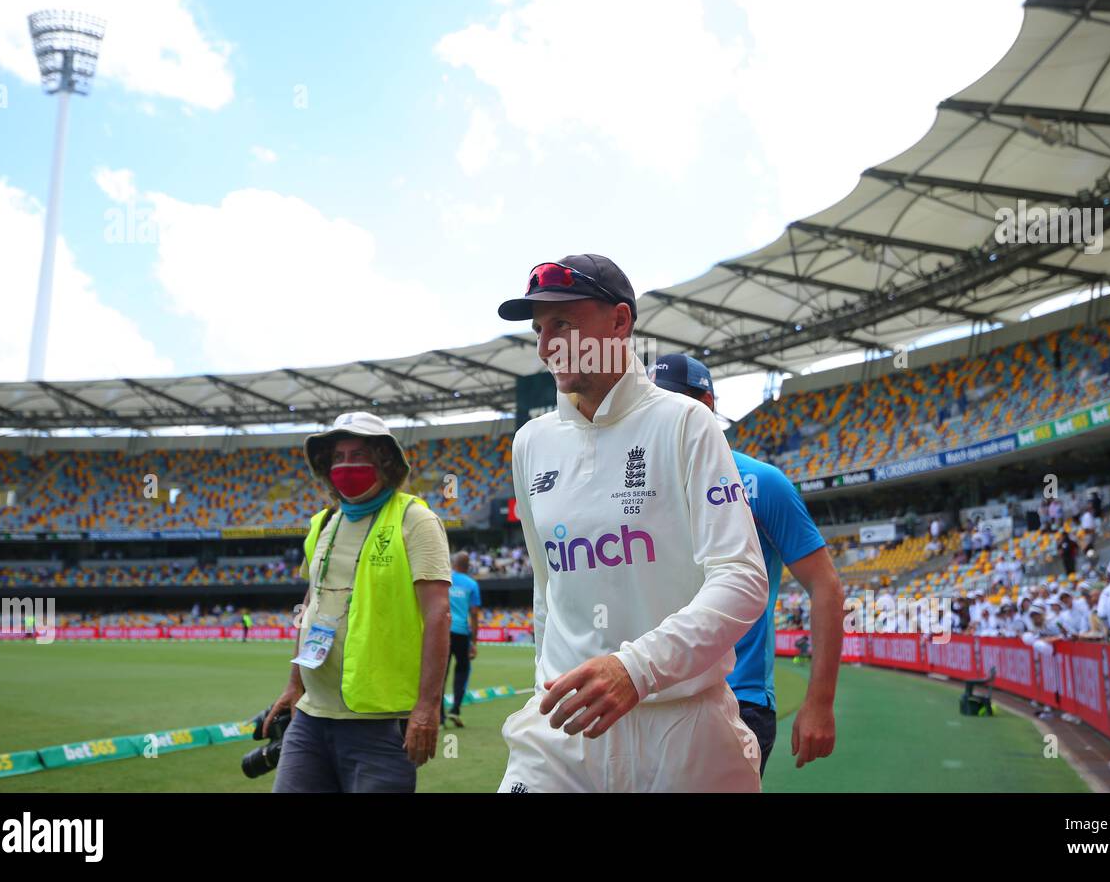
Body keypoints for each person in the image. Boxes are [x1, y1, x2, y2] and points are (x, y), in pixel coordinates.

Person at [494, 255, 768, 793]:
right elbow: (548, 587)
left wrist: (635, 669)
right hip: (563, 729)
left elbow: (742, 576)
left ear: (620, 323)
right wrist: (542, 683)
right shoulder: (531, 443)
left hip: (683, 729)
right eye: (539, 331)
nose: (546, 345)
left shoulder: (686, 422)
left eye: (562, 325)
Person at [649, 353, 842, 775]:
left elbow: (825, 585)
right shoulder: (641, 492)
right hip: (656, 694)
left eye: (675, 403)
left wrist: (820, 701)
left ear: (706, 404)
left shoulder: (761, 482)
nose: (662, 417)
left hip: (741, 699)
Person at [266, 412, 453, 793]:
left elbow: (438, 613)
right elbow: (311, 601)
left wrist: (427, 708)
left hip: (381, 722)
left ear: (384, 460)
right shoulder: (323, 523)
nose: (346, 466)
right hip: (311, 716)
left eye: (358, 455)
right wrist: (293, 682)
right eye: (338, 457)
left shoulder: (415, 520)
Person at [441, 551, 481, 729]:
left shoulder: (444, 579)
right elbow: (474, 614)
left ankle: (439, 717)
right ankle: (455, 709)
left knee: (441, 674)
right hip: (461, 633)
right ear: (468, 566)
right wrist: (474, 642)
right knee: (462, 670)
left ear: (453, 563)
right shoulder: (472, 584)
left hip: (443, 630)